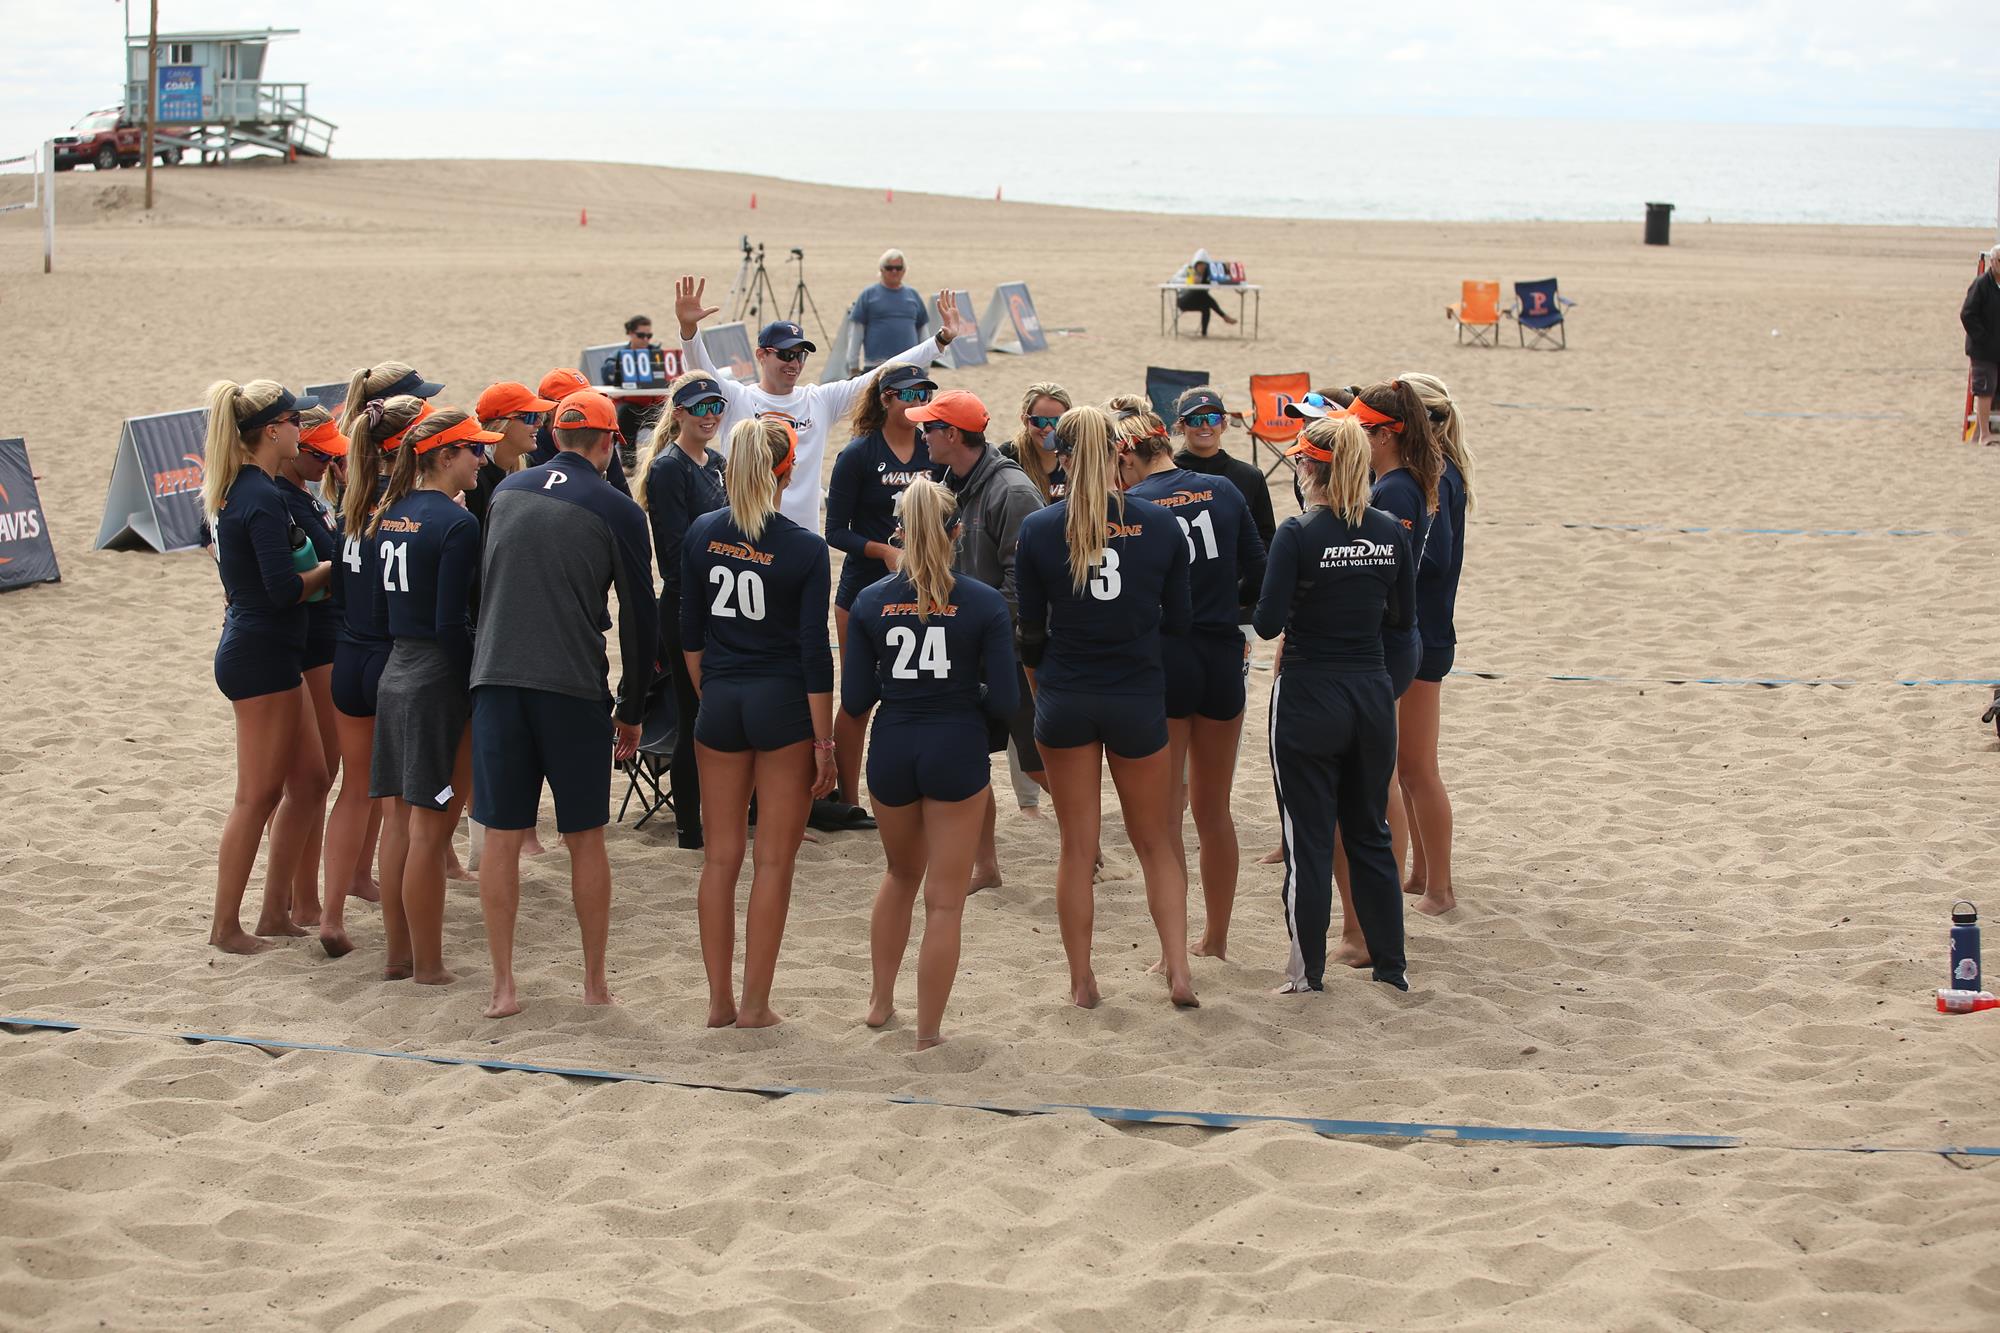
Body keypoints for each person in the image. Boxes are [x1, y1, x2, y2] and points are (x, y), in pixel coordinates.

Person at [472, 390, 657, 1018]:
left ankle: (503, 988)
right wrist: (633, 707)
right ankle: (595, 984)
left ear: (555, 438)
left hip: (495, 678)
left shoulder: (506, 491)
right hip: (571, 684)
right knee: (585, 838)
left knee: (500, 836)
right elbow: (640, 617)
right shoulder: (618, 508)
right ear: (609, 444)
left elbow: (487, 584)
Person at [1015, 405, 1198, 1010]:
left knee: (1077, 846)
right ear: (1121, 454)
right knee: (1156, 844)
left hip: (1068, 692)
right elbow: (1180, 622)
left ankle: (1082, 980)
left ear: (1062, 455)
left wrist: (1046, 688)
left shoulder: (1041, 528)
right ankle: (1178, 969)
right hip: (1135, 693)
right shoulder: (1160, 524)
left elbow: (1032, 635)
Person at [843, 476, 1019, 1048]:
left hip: (893, 745)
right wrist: (968, 698)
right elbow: (1011, 700)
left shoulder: (870, 601)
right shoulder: (984, 601)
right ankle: (927, 1031)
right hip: (955, 743)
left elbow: (853, 701)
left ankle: (879, 1002)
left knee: (898, 875)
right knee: (943, 901)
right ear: (957, 532)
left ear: (900, 531)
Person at [681, 417, 838, 1028]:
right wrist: (824, 741)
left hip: (721, 697)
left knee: (720, 860)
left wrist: (711, 691)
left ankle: (719, 1002)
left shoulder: (702, 532)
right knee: (774, 861)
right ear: (786, 470)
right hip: (781, 706)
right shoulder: (803, 546)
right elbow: (813, 652)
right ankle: (754, 1005)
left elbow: (689, 634)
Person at [1254, 415, 1415, 993]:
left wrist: (1301, 593)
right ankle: (1392, 968)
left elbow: (1268, 623)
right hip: (1370, 691)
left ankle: (1308, 974)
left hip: (1309, 690)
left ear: (1308, 468)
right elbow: (1401, 617)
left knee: (1310, 840)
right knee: (1369, 832)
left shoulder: (1299, 533)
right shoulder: (1389, 530)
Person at [1117, 406, 1266, 960]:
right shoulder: (1224, 490)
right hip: (1222, 652)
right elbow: (1257, 564)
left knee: (1166, 816)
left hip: (1167, 656)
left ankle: (1174, 950)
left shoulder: (1136, 505)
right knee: (1214, 809)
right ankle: (1217, 938)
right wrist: (1223, 602)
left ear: (1129, 455)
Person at [201, 380, 334, 953]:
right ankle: (225, 927)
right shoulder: (259, 496)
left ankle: (275, 912)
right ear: (274, 430)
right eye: (295, 422)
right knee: (256, 796)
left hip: (269, 648)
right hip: (260, 653)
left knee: (311, 780)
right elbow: (281, 590)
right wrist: (334, 568)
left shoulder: (247, 489)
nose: (302, 431)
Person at [671, 274, 958, 532]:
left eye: (801, 355)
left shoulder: (819, 399)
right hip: (745, 529)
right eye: (785, 354)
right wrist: (689, 331)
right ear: (761, 355)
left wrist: (939, 341)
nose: (794, 362)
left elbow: (882, 375)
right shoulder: (737, 397)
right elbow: (702, 371)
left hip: (800, 536)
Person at [369, 409, 495, 986]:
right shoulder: (457, 524)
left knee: (398, 823)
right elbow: (452, 622)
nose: (482, 459)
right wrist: (475, 679)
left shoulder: (390, 513)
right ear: (445, 456)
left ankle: (397, 955)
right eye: (473, 450)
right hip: (435, 677)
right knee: (428, 829)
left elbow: (378, 611)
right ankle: (428, 965)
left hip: (395, 667)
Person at [913, 389, 1048, 890]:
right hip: (972, 647)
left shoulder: (1009, 490)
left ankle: (1089, 850)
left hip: (1009, 650)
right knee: (973, 761)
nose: (922, 434)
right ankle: (986, 866)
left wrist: (979, 627)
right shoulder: (953, 483)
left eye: (929, 427)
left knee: (1039, 764)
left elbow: (1026, 579)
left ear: (952, 434)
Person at [320, 395, 432, 958]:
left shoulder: (351, 504)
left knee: (352, 792)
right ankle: (402, 932)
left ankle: (332, 911)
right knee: (396, 803)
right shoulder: (410, 511)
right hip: (392, 660)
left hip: (348, 658)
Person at [825, 362, 937, 813]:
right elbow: (835, 530)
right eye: (910, 394)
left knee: (921, 694)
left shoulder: (934, 448)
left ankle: (920, 794)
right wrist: (884, 551)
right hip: (863, 591)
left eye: (924, 394)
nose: (918, 402)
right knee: (858, 699)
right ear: (886, 397)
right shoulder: (858, 454)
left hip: (923, 592)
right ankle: (848, 802)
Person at [635, 371, 732, 850]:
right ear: (679, 414)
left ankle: (724, 815)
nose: (711, 414)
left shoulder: (715, 461)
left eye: (716, 404)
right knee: (693, 716)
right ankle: (690, 830)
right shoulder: (670, 468)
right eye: (700, 407)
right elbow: (673, 555)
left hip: (722, 599)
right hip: (687, 606)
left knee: (717, 714)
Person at [1395, 372, 1473, 917]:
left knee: (1419, 767)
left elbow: (1435, 557)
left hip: (1425, 634)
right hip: (1424, 630)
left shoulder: (1436, 478)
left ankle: (1441, 888)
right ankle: (1422, 871)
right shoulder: (1435, 471)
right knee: (1407, 765)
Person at [269, 408, 346, 930]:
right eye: (326, 455)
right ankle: (301, 897)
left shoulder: (305, 499)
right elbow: (298, 582)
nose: (333, 462)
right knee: (309, 782)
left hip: (322, 639)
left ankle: (302, 896)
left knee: (313, 780)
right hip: (312, 644)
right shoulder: (282, 502)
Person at [467, 381, 557, 530]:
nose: (539, 424)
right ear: (500, 425)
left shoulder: (528, 464)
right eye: (530, 417)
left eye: (539, 416)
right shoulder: (474, 478)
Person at [528, 368, 632, 497]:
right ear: (549, 408)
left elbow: (623, 498)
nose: (585, 405)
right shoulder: (530, 445)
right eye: (575, 402)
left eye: (589, 398)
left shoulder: (598, 438)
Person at [848, 249, 931, 373]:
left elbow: (923, 332)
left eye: (898, 268)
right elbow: (856, 333)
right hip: (876, 368)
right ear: (881, 269)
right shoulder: (868, 295)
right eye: (889, 267)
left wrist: (926, 364)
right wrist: (853, 365)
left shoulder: (913, 295)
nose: (894, 271)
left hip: (909, 367)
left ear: (904, 270)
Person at [601, 314, 668, 460]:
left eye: (648, 336)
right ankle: (628, 463)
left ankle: (666, 458)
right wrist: (620, 370)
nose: (645, 339)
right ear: (631, 334)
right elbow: (607, 374)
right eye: (641, 335)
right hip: (631, 406)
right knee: (625, 413)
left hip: (654, 405)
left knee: (672, 413)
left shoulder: (656, 355)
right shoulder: (618, 356)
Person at [1002, 382, 1073, 503]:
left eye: (1058, 421)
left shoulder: (1077, 456)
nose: (1048, 429)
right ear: (1025, 420)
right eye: (1039, 421)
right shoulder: (1008, 457)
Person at [1963, 249, 2000, 447]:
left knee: (1993, 390)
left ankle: (1978, 432)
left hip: (1997, 347)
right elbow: (1967, 314)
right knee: (1984, 390)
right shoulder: (1981, 285)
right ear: (1993, 261)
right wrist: (1982, 337)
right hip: (1983, 349)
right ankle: (1984, 434)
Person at [1172, 249, 1238, 337]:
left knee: (1206, 306)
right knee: (1202, 294)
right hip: (1184, 300)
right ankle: (1224, 316)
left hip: (1199, 300)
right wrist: (1189, 281)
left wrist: (1227, 269)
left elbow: (1220, 274)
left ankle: (1204, 333)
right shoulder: (1189, 268)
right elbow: (1172, 280)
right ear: (1196, 264)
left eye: (1204, 266)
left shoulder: (1208, 273)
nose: (1201, 268)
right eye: (1199, 265)